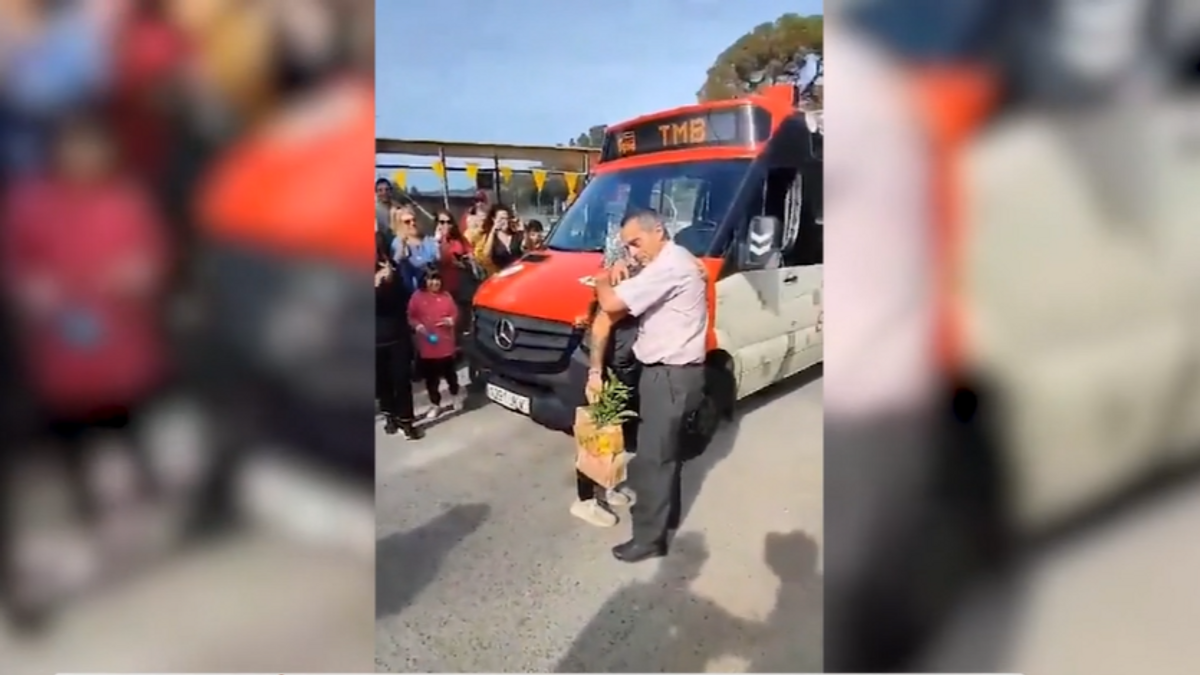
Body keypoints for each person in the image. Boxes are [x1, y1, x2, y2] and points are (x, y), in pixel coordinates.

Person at [593, 210, 708, 563]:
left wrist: (600, 279)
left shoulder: (669, 266)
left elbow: (610, 302)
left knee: (652, 460)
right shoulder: (676, 259)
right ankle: (665, 519)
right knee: (667, 453)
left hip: (668, 375)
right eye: (627, 245)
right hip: (677, 374)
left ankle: (648, 539)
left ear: (658, 231)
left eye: (636, 243)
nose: (632, 251)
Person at [376, 230, 422, 440]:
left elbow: (404, 298)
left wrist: (392, 278)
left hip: (397, 334)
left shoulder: (391, 268)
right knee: (382, 381)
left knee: (402, 379)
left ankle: (407, 421)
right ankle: (390, 416)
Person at [407, 269, 462, 420]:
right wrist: (418, 326)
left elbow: (455, 313)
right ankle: (435, 404)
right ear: (425, 281)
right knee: (431, 379)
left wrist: (451, 320)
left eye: (437, 279)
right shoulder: (417, 297)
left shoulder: (446, 296)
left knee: (450, 375)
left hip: (445, 344)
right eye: (431, 279)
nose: (435, 283)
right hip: (427, 346)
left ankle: (455, 395)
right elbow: (411, 316)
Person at [390, 204, 440, 293]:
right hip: (409, 294)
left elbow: (438, 259)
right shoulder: (397, 243)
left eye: (414, 220)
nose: (412, 223)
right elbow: (395, 264)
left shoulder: (428, 240)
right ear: (399, 224)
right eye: (407, 222)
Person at [474, 203, 523, 275]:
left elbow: (527, 248)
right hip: (501, 275)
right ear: (494, 219)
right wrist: (493, 231)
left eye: (506, 218)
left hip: (519, 273)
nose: (505, 221)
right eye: (501, 218)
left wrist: (523, 230)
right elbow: (486, 255)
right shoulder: (491, 237)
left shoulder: (515, 235)